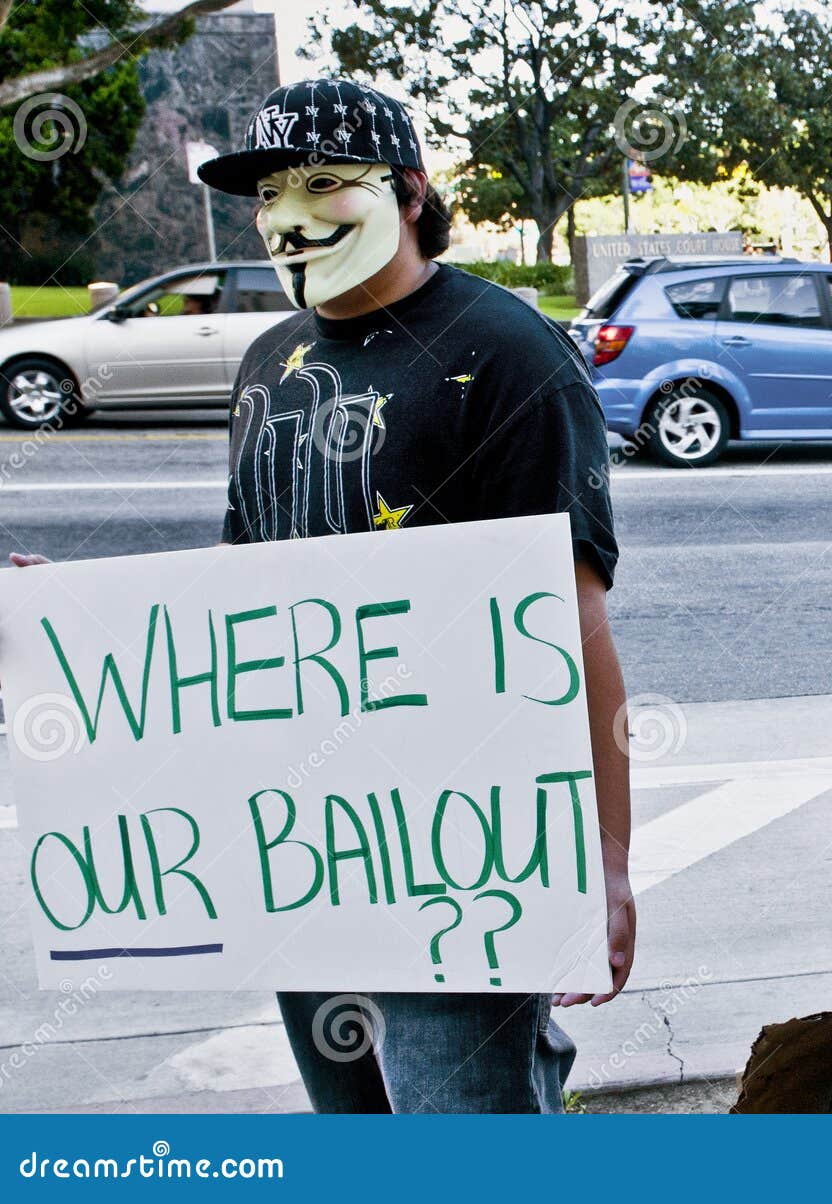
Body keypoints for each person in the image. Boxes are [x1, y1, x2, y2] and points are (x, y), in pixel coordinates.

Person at [11, 78, 637, 1114]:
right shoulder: (267, 360)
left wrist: (606, 860)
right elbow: (244, 598)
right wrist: (80, 625)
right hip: (301, 846)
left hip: (459, 856)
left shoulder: (511, 351)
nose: (288, 218)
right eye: (267, 195)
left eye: (325, 184)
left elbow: (574, 626)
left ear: (410, 190)